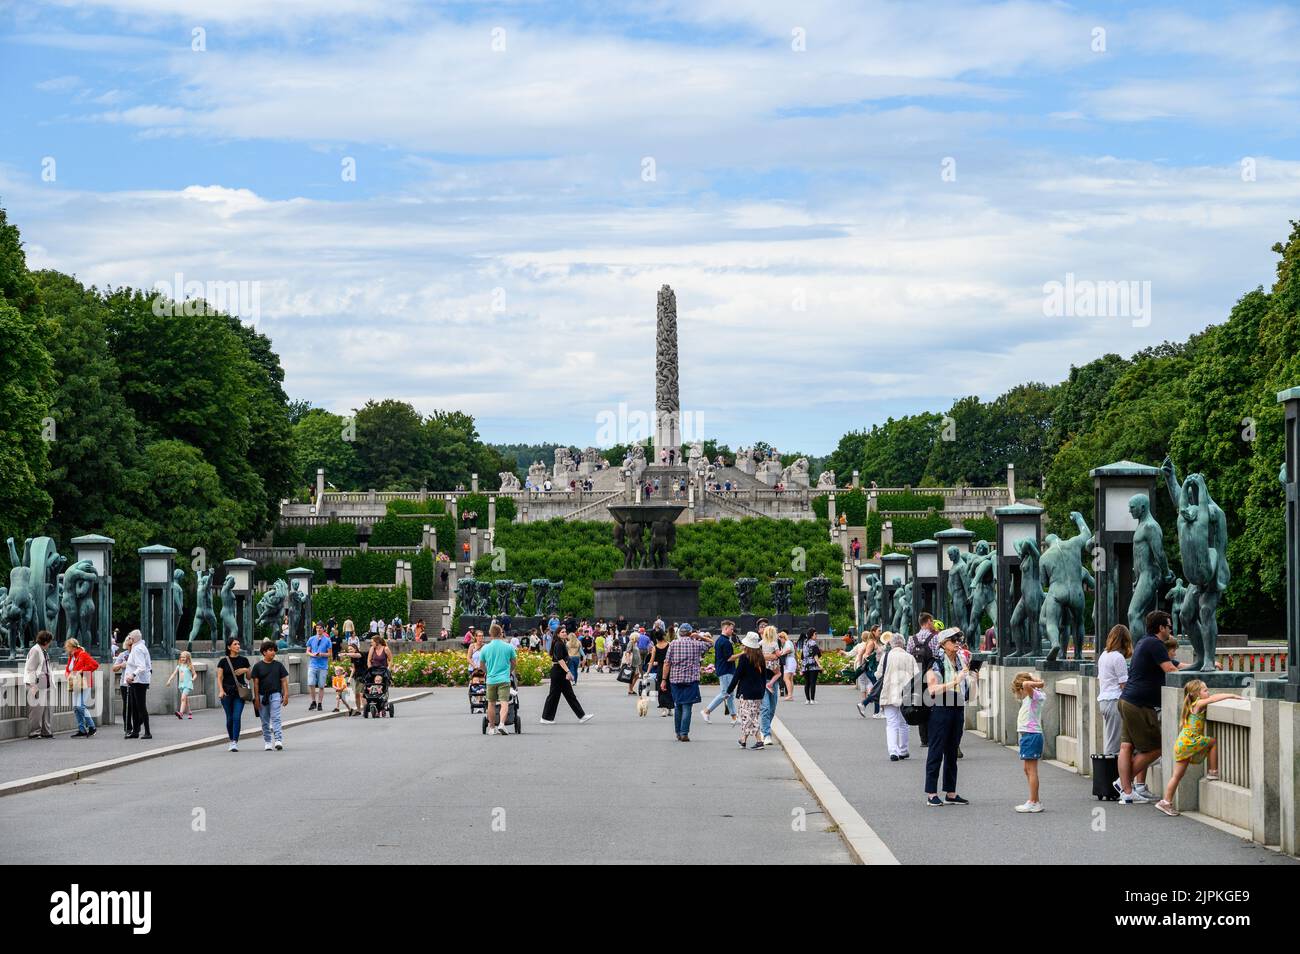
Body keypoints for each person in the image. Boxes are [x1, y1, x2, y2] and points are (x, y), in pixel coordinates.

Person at [1116, 610, 1188, 804]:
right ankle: (1122, 784)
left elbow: (1175, 663)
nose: (1171, 630)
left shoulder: (1144, 642)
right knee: (1157, 747)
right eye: (1169, 626)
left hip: (1127, 700)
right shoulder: (1155, 643)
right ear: (1161, 628)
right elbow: (1170, 669)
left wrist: (1200, 665)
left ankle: (1127, 790)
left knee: (1127, 746)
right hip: (1139, 704)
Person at [1155, 681, 1244, 816]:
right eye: (1205, 690)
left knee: (1177, 775)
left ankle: (1166, 801)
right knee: (1212, 742)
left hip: (1182, 742)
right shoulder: (1198, 704)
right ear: (1196, 694)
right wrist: (1233, 695)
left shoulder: (1191, 705)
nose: (1208, 693)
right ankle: (1213, 771)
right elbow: (1214, 698)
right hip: (1190, 740)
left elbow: (1211, 698)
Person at [923, 629, 972, 805]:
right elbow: (932, 689)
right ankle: (931, 793)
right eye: (953, 639)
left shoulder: (960, 660)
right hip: (941, 708)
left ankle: (951, 793)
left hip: (957, 707)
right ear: (943, 643)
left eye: (958, 639)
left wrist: (968, 677)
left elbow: (964, 683)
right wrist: (955, 681)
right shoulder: (935, 662)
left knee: (952, 750)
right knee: (936, 750)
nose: (957, 642)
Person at [661, 624, 713, 741]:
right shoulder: (696, 644)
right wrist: (700, 636)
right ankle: (684, 733)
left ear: (679, 633)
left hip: (675, 679)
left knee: (678, 705)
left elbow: (667, 663)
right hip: (691, 680)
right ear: (690, 633)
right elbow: (711, 643)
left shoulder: (673, 644)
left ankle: (678, 732)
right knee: (687, 706)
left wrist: (664, 680)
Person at [540, 623, 593, 725]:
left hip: (559, 671)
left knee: (569, 695)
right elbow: (559, 659)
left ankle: (581, 715)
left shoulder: (560, 643)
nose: (565, 633)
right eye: (562, 632)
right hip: (559, 671)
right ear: (558, 634)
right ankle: (545, 718)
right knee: (554, 695)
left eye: (565, 632)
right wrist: (568, 671)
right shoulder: (559, 644)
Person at [878, 633, 917, 760]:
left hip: (889, 692)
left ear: (891, 644)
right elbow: (917, 676)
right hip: (905, 694)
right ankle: (903, 750)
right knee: (904, 723)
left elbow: (878, 674)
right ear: (903, 643)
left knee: (891, 723)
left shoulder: (886, 656)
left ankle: (893, 751)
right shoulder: (910, 657)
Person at [726, 633, 770, 748]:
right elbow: (764, 676)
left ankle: (759, 740)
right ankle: (743, 739)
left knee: (747, 716)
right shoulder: (760, 657)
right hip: (758, 691)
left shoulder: (744, 658)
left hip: (747, 691)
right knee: (752, 715)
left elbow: (737, 676)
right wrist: (762, 688)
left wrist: (729, 690)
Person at [1012, 672, 1046, 813]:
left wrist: (1038, 682)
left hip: (1031, 735)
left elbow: (1026, 684)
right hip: (1028, 735)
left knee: (1031, 770)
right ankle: (1034, 800)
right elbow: (1027, 684)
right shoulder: (1033, 695)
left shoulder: (1035, 695)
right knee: (1027, 769)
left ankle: (1034, 801)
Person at [1096, 624, 1132, 756]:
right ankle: (1109, 775)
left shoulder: (1104, 655)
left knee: (1112, 739)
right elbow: (1124, 685)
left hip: (1104, 701)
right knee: (1114, 746)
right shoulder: (1118, 657)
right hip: (1114, 701)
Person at [480, 623, 518, 735]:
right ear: (501, 633)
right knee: (504, 702)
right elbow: (514, 663)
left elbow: (482, 665)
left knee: (491, 703)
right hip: (504, 679)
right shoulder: (509, 647)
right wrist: (508, 671)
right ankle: (502, 723)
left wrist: (488, 672)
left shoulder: (485, 648)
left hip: (491, 679)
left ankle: (491, 727)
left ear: (490, 634)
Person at [251, 639, 289, 751]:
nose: (273, 652)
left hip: (276, 694)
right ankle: (267, 741)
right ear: (264, 652)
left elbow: (284, 681)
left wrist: (286, 695)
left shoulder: (278, 665)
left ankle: (278, 740)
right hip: (262, 696)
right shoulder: (258, 666)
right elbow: (256, 684)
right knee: (264, 720)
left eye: (274, 651)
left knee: (276, 717)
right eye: (270, 650)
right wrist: (256, 698)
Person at [217, 638, 252, 750]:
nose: (238, 646)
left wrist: (245, 670)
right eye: (235, 644)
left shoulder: (244, 660)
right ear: (229, 647)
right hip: (226, 692)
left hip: (239, 693)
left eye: (238, 643)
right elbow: (219, 678)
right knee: (229, 718)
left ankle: (234, 741)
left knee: (236, 717)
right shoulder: (223, 661)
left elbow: (249, 677)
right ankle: (231, 738)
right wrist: (221, 690)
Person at [758, 624, 789, 744]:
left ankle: (764, 729)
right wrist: (771, 656)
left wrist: (767, 657)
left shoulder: (770, 643)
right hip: (762, 680)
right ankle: (766, 734)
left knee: (772, 709)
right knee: (765, 708)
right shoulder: (761, 644)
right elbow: (757, 657)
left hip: (773, 680)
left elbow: (776, 656)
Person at [702, 620, 738, 724]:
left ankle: (734, 717)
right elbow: (730, 658)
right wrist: (743, 653)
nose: (732, 631)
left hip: (724, 669)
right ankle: (707, 711)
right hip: (726, 670)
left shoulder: (719, 640)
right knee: (725, 693)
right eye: (731, 629)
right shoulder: (725, 642)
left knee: (729, 694)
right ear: (726, 628)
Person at [63, 637, 100, 738]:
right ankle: (81, 729)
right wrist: (67, 674)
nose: (66, 649)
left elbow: (95, 665)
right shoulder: (72, 656)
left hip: (85, 682)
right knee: (76, 707)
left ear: (72, 647)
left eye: (67, 647)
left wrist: (81, 670)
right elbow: (68, 668)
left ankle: (92, 727)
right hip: (76, 683)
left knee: (81, 706)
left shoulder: (82, 654)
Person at [24, 630, 55, 739]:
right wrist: (33, 685)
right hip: (36, 683)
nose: (50, 643)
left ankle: (46, 731)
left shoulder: (43, 650)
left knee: (46, 708)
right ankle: (34, 732)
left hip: (44, 682)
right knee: (36, 710)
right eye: (50, 641)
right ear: (46, 641)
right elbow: (30, 669)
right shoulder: (36, 650)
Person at [123, 628, 153, 740]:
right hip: (136, 681)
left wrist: (132, 675)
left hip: (138, 681)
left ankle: (147, 732)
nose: (128, 639)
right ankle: (136, 731)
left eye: (130, 637)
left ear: (134, 639)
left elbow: (141, 667)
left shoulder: (138, 649)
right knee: (135, 707)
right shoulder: (138, 648)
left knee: (141, 707)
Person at [648, 628, 674, 717]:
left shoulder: (655, 648)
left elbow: (651, 661)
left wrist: (647, 672)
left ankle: (663, 709)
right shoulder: (669, 645)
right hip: (670, 669)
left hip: (660, 669)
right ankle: (670, 708)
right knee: (670, 688)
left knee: (661, 689)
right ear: (663, 636)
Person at [852, 629, 878, 718]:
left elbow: (861, 654)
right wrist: (869, 663)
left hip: (872, 669)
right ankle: (865, 705)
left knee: (877, 689)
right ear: (874, 632)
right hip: (872, 669)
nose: (880, 632)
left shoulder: (871, 642)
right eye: (879, 631)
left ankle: (875, 711)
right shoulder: (871, 642)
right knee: (877, 689)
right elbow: (865, 655)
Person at [165, 650, 196, 719]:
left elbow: (195, 674)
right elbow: (174, 674)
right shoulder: (179, 666)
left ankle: (181, 713)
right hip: (181, 685)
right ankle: (190, 712)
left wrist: (193, 679)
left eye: (184, 657)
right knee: (185, 699)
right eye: (181, 657)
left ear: (188, 658)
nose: (182, 659)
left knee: (182, 698)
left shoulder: (190, 666)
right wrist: (169, 680)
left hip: (188, 685)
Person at [799, 629, 822, 704]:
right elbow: (815, 655)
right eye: (815, 634)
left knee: (807, 683)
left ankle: (807, 699)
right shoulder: (813, 643)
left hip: (805, 665)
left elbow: (802, 655)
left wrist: (801, 666)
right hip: (813, 666)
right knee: (812, 683)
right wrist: (819, 664)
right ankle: (812, 699)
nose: (816, 635)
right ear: (812, 635)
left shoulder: (805, 642)